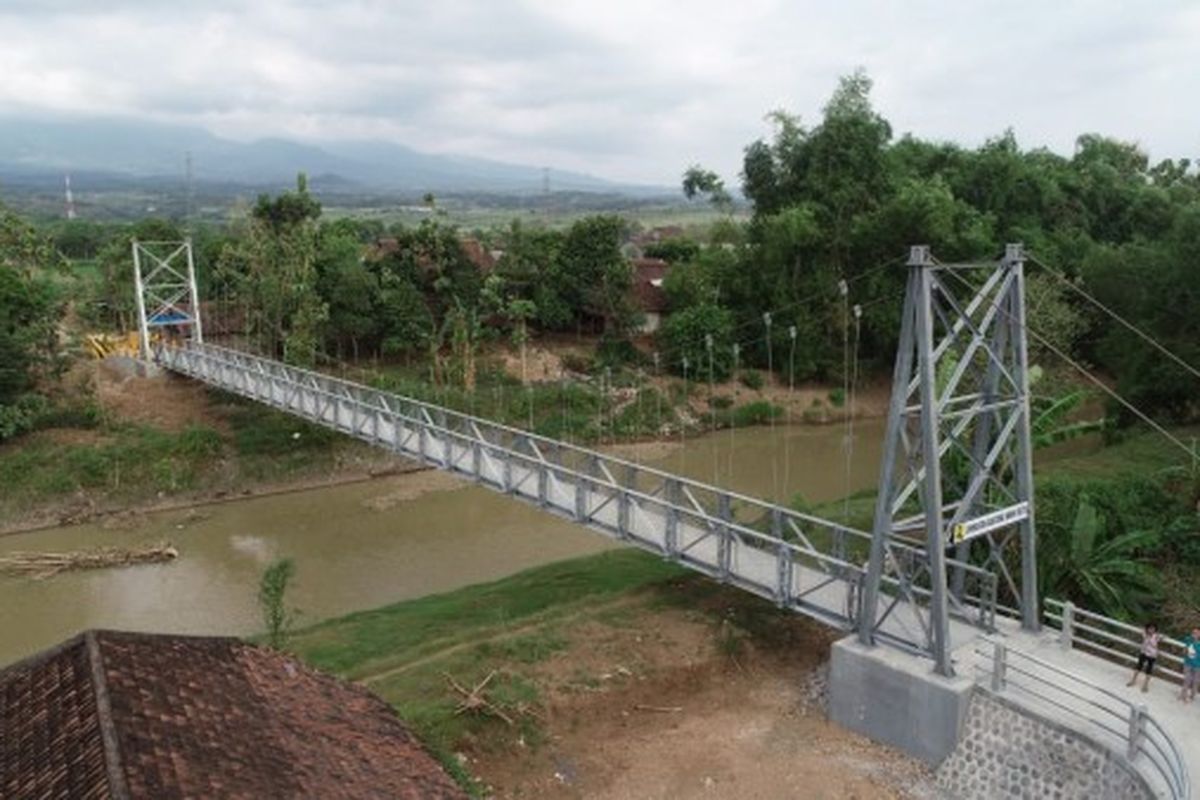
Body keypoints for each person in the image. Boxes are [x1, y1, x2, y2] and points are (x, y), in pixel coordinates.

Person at [1127, 622, 1161, 692]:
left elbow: (1162, 638)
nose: (1151, 630)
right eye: (1150, 628)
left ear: (1155, 630)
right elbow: (1141, 629)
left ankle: (1145, 685)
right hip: (1143, 653)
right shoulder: (1145, 634)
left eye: (1153, 629)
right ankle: (1133, 680)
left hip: (1152, 655)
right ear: (1147, 629)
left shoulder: (1156, 636)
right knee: (1138, 667)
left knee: (1149, 670)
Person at [1182, 626, 1200, 704]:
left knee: (1195, 682)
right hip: (1188, 663)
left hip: (1198, 665)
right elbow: (1184, 651)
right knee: (1187, 680)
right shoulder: (1188, 640)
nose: (1194, 634)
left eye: (1196, 633)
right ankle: (1184, 695)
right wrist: (1185, 650)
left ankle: (1192, 696)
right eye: (1193, 633)